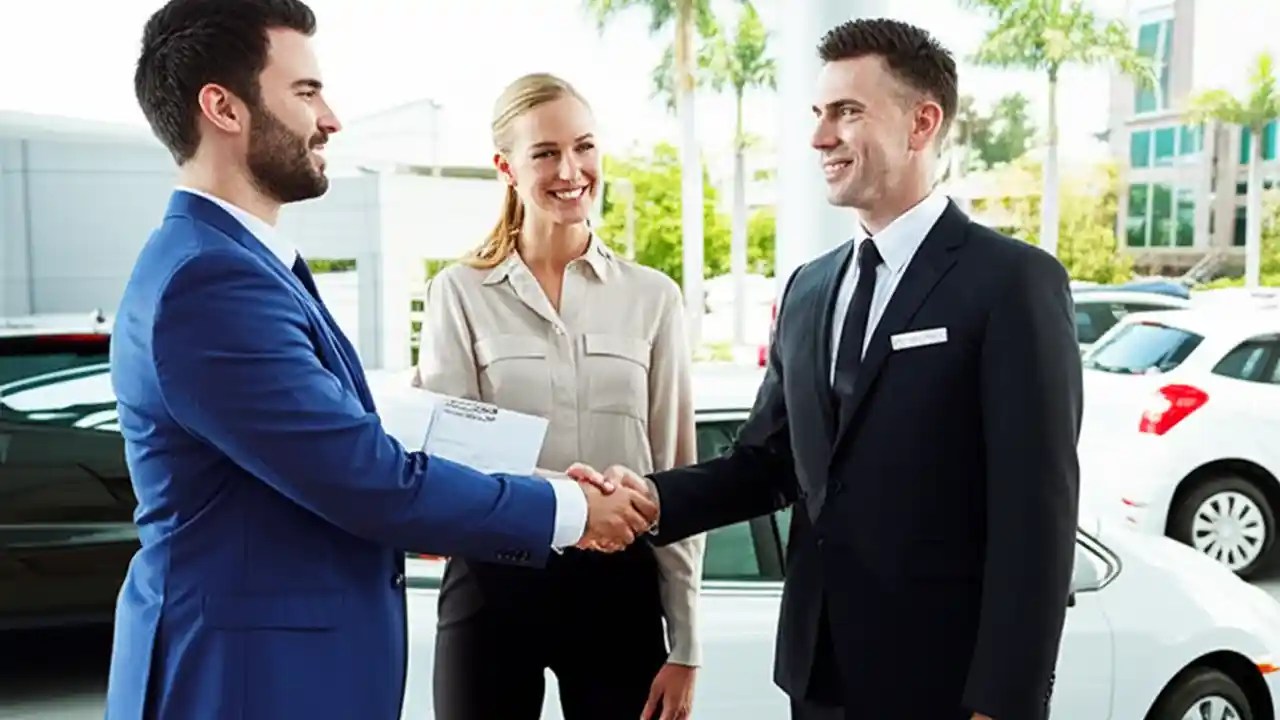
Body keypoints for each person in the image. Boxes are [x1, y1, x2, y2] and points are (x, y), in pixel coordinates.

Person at [105, 4, 656, 719]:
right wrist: (573, 507)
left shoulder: (242, 266)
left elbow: (348, 448)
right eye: (305, 92)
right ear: (223, 107)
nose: (330, 118)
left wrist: (546, 480)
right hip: (246, 685)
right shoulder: (211, 284)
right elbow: (367, 481)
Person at [577, 18, 1082, 720]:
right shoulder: (809, 289)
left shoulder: (1011, 283)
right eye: (818, 114)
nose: (820, 137)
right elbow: (769, 462)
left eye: (847, 112)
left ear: (922, 123)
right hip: (818, 675)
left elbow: (1037, 516)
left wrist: (1003, 704)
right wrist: (652, 498)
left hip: (947, 685)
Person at [413, 71, 704, 720]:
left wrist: (686, 642)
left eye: (584, 147)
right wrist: (572, 502)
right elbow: (452, 458)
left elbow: (676, 472)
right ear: (506, 167)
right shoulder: (458, 294)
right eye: (544, 153)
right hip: (491, 578)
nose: (570, 169)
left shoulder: (653, 298)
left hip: (619, 592)